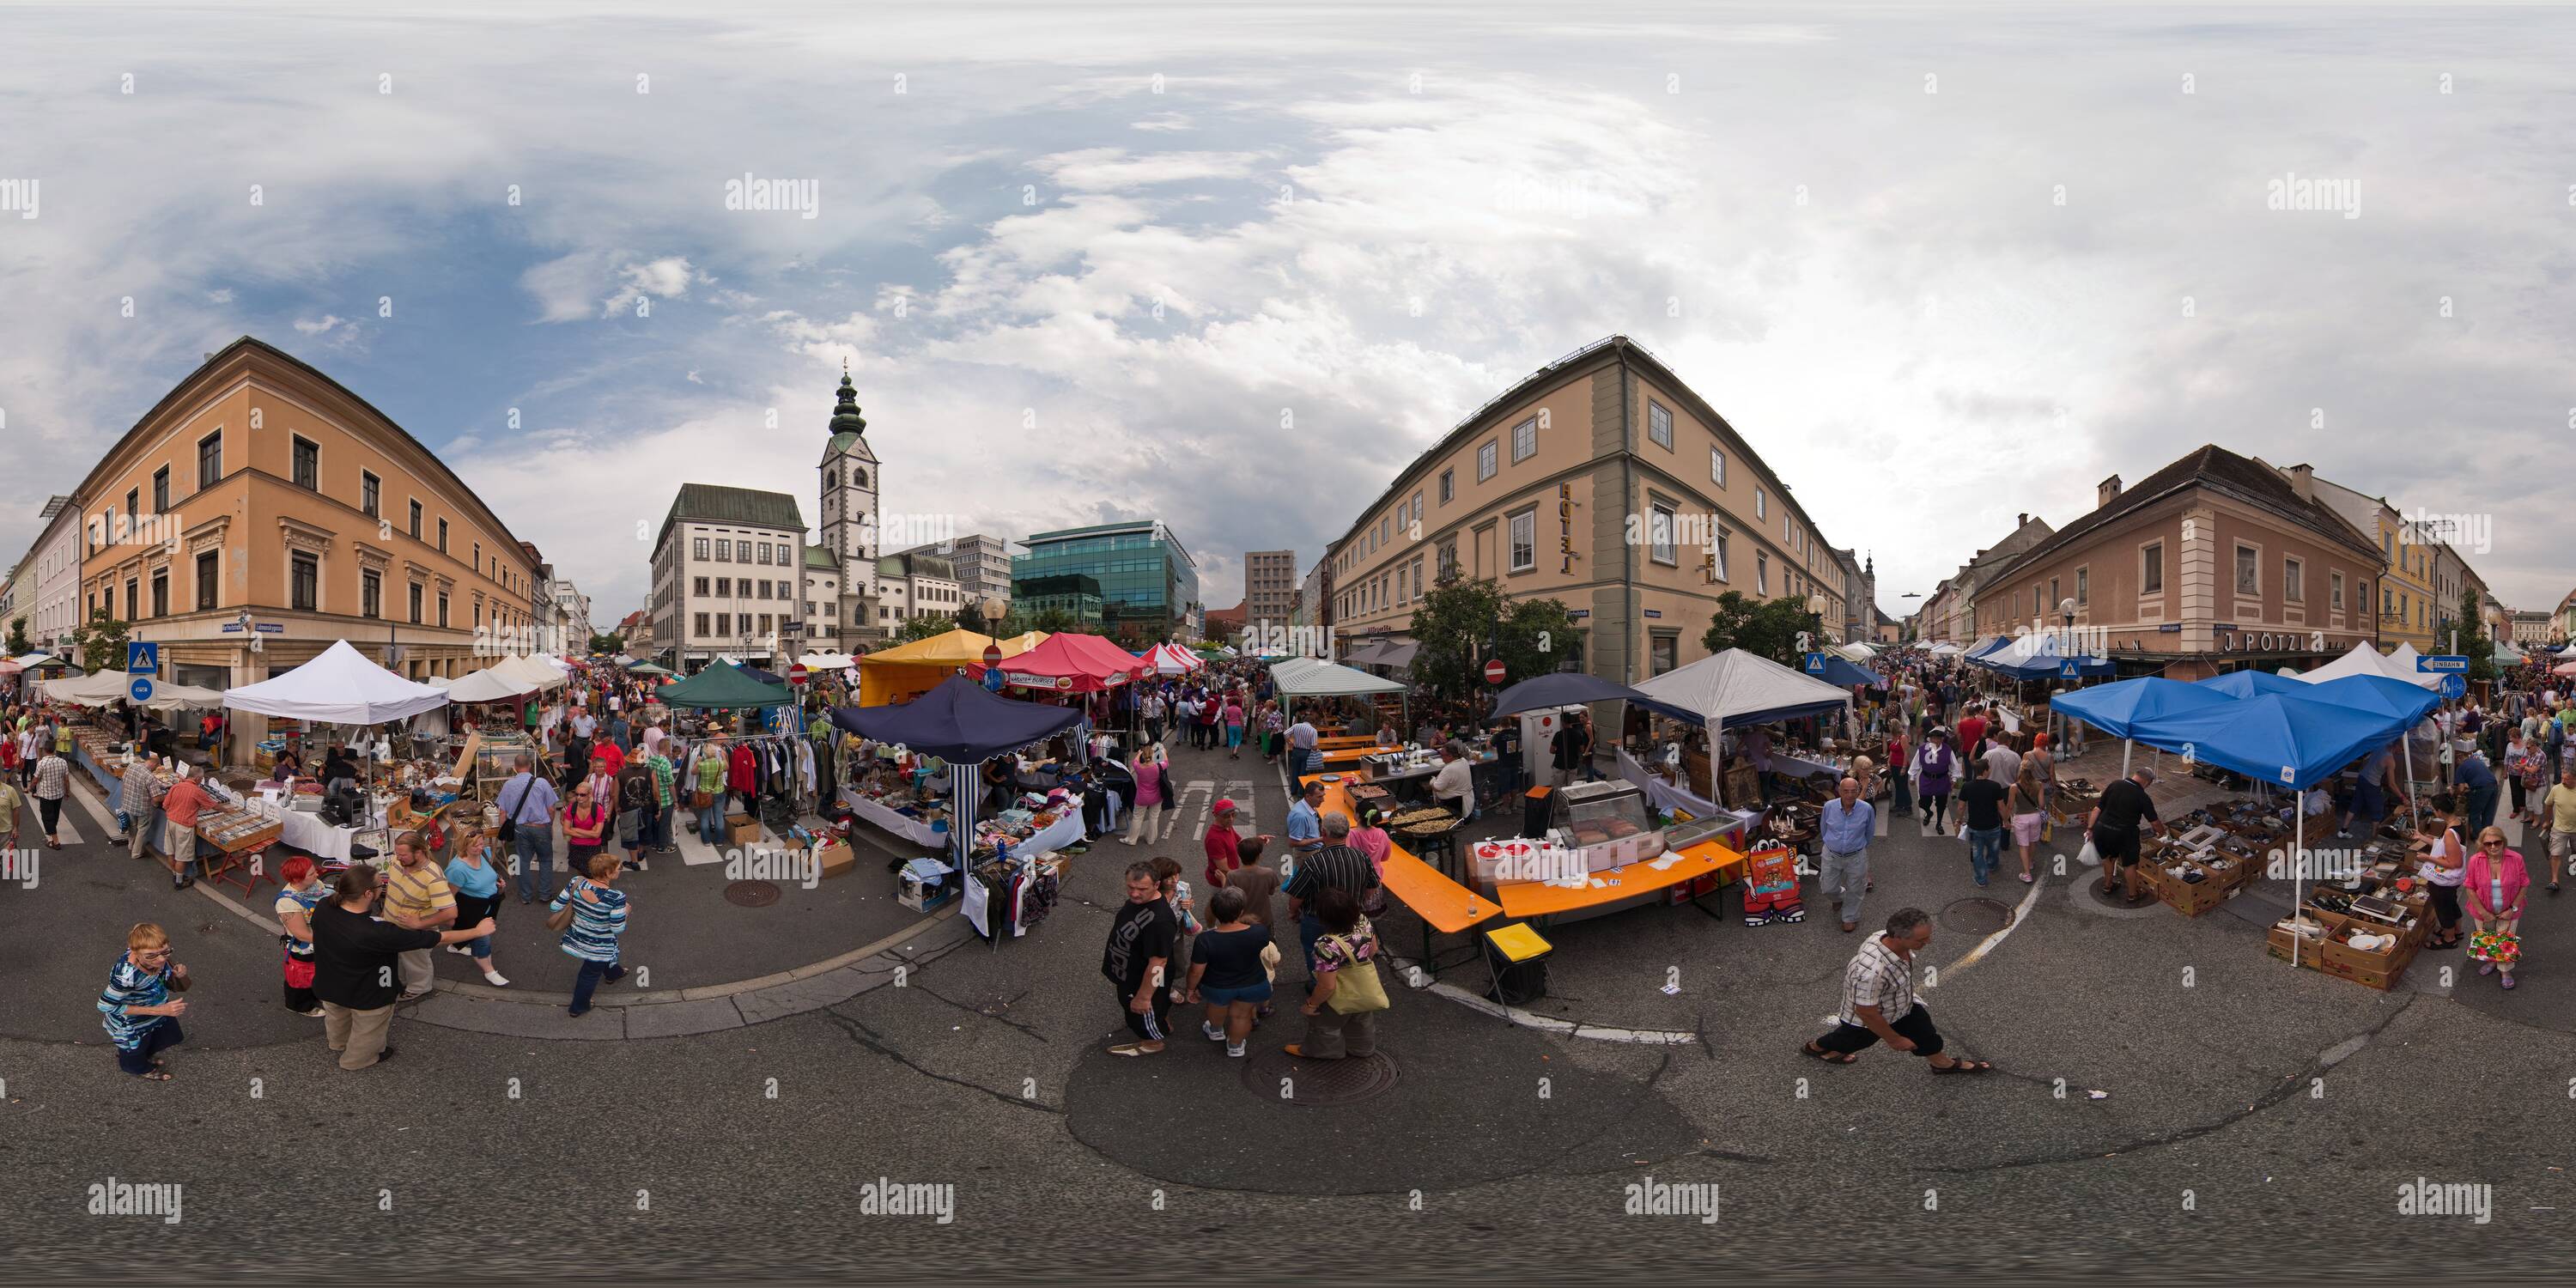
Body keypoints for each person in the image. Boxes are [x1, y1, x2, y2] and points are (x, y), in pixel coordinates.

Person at [313, 868, 495, 1070]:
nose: (382, 888)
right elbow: (438, 938)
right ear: (367, 894)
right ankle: (357, 1060)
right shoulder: (378, 933)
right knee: (368, 1029)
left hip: (329, 982)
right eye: (379, 885)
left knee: (337, 1015)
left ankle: (338, 1043)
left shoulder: (324, 907)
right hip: (367, 991)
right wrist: (478, 931)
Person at [1801, 907, 1992, 1072]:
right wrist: (1894, 1040)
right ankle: (1816, 1048)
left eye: (1928, 936)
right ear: (1898, 937)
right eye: (1921, 940)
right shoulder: (1872, 972)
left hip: (1901, 1005)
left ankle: (1942, 1064)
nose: (1928, 942)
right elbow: (1866, 1012)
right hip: (1871, 1019)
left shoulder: (1881, 936)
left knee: (1924, 1031)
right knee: (1852, 1041)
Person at [1285, 885, 1385, 1060]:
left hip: (1341, 992)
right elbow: (1373, 950)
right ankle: (1362, 1049)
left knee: (1325, 1024)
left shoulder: (1326, 945)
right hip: (1364, 988)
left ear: (1324, 918)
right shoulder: (1363, 921)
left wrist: (1311, 1005)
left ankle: (1326, 1051)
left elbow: (1327, 986)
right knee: (1361, 1019)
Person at [1285, 811, 1381, 976]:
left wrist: (1293, 912)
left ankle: (1319, 985)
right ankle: (1343, 985)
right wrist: (1358, 903)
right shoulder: (1361, 857)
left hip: (1319, 920)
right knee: (1349, 953)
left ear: (1323, 833)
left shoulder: (1313, 862)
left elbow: (1297, 896)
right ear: (1347, 833)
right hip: (1352, 917)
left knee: (1316, 956)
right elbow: (1372, 886)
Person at [1103, 863, 1178, 1056]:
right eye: (1130, 887)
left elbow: (1158, 963)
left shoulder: (1160, 921)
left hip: (1143, 978)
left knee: (1141, 1011)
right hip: (1130, 971)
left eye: (1142, 889)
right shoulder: (1141, 902)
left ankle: (1151, 1042)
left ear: (1156, 885)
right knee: (1153, 1007)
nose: (1134, 894)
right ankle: (1161, 1021)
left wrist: (1144, 997)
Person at [1188, 885, 1271, 1058]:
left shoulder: (1205, 940)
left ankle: (1216, 1030)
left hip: (1217, 985)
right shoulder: (1259, 932)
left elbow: (1196, 971)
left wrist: (1191, 988)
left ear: (1215, 912)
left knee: (1217, 1006)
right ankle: (1235, 1046)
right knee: (1241, 1015)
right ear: (1241, 911)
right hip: (1252, 982)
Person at [99, 922, 189, 1080]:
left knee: (157, 1040)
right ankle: (141, 1069)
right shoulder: (126, 978)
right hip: (134, 1022)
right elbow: (105, 1005)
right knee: (134, 1052)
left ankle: (144, 1057)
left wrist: (178, 974)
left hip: (157, 1011)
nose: (161, 959)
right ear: (135, 951)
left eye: (165, 952)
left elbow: (138, 926)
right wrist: (161, 1010)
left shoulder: (149, 951)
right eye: (152, 955)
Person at [552, 852, 634, 1018]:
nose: (620, 870)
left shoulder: (576, 882)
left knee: (598, 963)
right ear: (608, 873)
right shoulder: (615, 897)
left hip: (577, 936)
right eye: (618, 868)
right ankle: (578, 1006)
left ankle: (613, 973)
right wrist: (626, 912)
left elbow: (555, 907)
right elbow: (617, 929)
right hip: (599, 945)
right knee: (589, 974)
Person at [380, 830, 457, 1002]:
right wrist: (386, 910)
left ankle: (419, 987)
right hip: (392, 924)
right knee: (400, 957)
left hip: (415, 932)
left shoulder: (433, 877)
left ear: (419, 852)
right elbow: (393, 889)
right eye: (397, 854)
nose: (398, 859)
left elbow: (451, 913)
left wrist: (419, 924)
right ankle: (401, 982)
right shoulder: (397, 861)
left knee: (416, 962)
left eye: (403, 855)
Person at [441, 823, 511, 986]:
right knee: (482, 939)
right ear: (464, 846)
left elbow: (488, 875)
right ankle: (490, 971)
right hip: (472, 910)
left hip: (488, 906)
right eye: (476, 846)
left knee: (472, 934)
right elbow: (449, 896)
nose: (481, 848)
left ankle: (455, 945)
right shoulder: (457, 869)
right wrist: (450, 917)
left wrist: (498, 883)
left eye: (482, 843)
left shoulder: (482, 854)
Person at [2087, 766, 2166, 904]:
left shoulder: (2115, 784)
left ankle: (2108, 886)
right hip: (2125, 833)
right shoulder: (2142, 796)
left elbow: (2097, 809)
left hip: (2102, 828)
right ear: (2148, 782)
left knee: (2108, 859)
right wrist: (2162, 833)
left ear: (2136, 774)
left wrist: (2090, 829)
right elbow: (2154, 822)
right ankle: (2132, 894)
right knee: (2130, 865)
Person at [2464, 827, 2530, 990]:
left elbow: (2524, 885)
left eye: (2497, 842)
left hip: (2508, 911)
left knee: (2505, 942)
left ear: (2503, 842)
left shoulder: (2516, 859)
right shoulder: (2475, 860)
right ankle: (2492, 961)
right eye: (2488, 844)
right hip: (2483, 910)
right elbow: (2469, 887)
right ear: (2483, 844)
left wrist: (2512, 909)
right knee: (2489, 939)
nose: (2493, 847)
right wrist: (2483, 912)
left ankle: (2505, 971)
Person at [498, 753, 560, 904]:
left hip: (521, 828)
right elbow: (551, 809)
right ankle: (545, 894)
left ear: (515, 767)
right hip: (541, 827)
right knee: (545, 860)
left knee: (522, 861)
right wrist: (549, 824)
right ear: (530, 766)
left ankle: (526, 896)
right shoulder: (542, 783)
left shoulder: (508, 785)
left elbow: (502, 813)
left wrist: (503, 832)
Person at [274, 855, 331, 1015]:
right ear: (298, 879)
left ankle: (313, 995)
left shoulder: (315, 884)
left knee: (315, 972)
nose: (317, 875)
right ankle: (299, 1006)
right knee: (300, 977)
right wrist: (333, 939)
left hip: (319, 941)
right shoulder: (287, 903)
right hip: (304, 946)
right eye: (311, 874)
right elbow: (302, 934)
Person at [1816, 776, 1874, 932]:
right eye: (1846, 791)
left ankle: (1849, 917)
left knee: (1856, 889)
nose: (1849, 795)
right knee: (1828, 888)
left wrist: (1856, 847)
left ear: (1858, 792)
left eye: (1853, 791)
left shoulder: (1867, 809)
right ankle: (1838, 897)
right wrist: (1832, 844)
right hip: (1831, 854)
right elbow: (1824, 829)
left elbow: (1869, 834)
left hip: (1856, 856)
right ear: (1839, 792)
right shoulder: (1829, 806)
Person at [2415, 793, 2467, 951]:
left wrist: (2427, 858)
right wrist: (2422, 837)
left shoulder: (2449, 833)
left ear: (2440, 811)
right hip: (2453, 881)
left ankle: (2449, 938)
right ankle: (2456, 931)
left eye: (2433, 809)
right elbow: (2443, 847)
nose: (2433, 811)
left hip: (2445, 880)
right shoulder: (2457, 823)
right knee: (2451, 903)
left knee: (2443, 908)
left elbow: (2454, 862)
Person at [157, 763, 216, 890]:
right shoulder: (197, 791)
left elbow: (165, 805)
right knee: (181, 856)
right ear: (197, 779)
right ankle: (179, 882)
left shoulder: (175, 787)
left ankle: (174, 875)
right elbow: (212, 805)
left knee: (171, 851)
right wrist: (227, 810)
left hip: (171, 822)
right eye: (201, 779)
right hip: (184, 826)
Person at [1958, 762, 2008, 887]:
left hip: (1975, 826)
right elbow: (2001, 807)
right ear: (1985, 771)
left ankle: (1981, 879)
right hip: (1993, 825)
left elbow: (1961, 806)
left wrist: (1958, 820)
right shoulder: (1995, 786)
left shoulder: (1967, 786)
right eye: (1989, 768)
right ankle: (1991, 865)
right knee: (1994, 849)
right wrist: (2006, 821)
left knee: (1977, 853)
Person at [2009, 749, 2050, 884]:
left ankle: (2027, 874)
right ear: (2033, 771)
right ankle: (2030, 863)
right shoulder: (2039, 784)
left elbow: (2010, 806)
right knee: (2033, 842)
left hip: (2021, 818)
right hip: (2035, 817)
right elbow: (2042, 804)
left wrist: (2008, 819)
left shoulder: (2014, 787)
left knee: (2023, 845)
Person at [1911, 727, 1957, 834]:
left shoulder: (1947, 750)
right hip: (1926, 780)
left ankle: (1939, 823)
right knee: (1923, 803)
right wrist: (1912, 776)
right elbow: (1916, 763)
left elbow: (1954, 766)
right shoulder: (1922, 749)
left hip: (1942, 780)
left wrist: (1954, 778)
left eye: (1937, 738)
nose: (1935, 741)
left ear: (1941, 739)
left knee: (1941, 804)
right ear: (1930, 739)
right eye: (1933, 738)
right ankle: (1929, 812)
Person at [1123, 743, 1167, 846]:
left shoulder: (1139, 768)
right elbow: (1166, 761)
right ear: (1153, 755)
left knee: (1137, 817)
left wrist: (1139, 753)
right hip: (1156, 796)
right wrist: (1163, 752)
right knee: (1154, 817)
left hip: (1142, 797)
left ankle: (1131, 839)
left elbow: (1135, 761)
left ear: (1143, 756)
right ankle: (1151, 839)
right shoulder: (1159, 767)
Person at [30, 742, 69, 850]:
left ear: (45, 751)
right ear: (54, 750)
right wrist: (67, 792)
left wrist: (30, 787)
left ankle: (55, 841)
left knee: (47, 817)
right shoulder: (63, 762)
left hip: (46, 795)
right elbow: (66, 779)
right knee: (55, 815)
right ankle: (52, 832)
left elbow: (36, 779)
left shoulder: (42, 763)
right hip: (59, 794)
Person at [2543, 766, 2576, 896]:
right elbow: (2548, 804)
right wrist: (2547, 821)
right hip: (2559, 828)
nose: (2563, 781)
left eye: (2567, 779)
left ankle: (2573, 865)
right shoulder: (2556, 789)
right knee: (2555, 854)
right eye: (2562, 778)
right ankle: (2554, 881)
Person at [2455, 742, 2499, 837]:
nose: (2456, 764)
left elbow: (2461, 789)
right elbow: (2476, 776)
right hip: (2494, 785)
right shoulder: (2476, 761)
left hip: (2482, 789)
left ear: (2459, 758)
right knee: (2488, 813)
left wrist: (2455, 792)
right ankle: (2487, 836)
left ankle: (2481, 838)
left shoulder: (2461, 767)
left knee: (2474, 814)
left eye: (2456, 761)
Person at [1430, 739, 1478, 823]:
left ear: (1450, 756)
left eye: (1442, 755)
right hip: (1465, 798)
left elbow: (1437, 788)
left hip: (1455, 802)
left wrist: (1432, 782)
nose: (1441, 757)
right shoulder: (1463, 761)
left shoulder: (1449, 769)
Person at [1286, 778, 1326, 855]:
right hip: (1307, 854)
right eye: (1319, 797)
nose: (1323, 800)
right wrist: (1319, 839)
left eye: (1323, 796)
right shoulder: (1300, 816)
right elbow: (1292, 843)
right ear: (1308, 796)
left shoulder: (1309, 805)